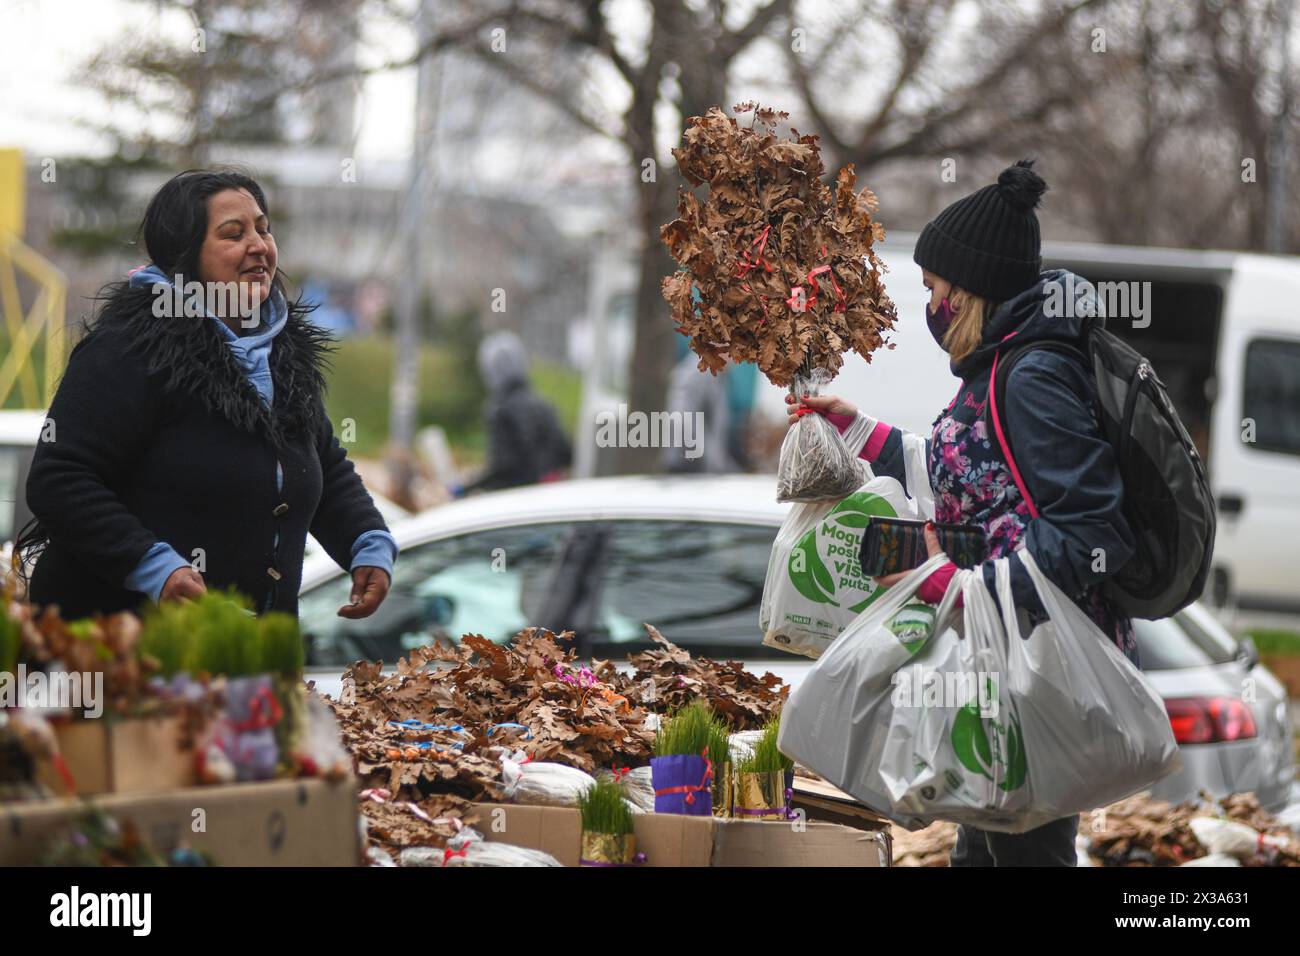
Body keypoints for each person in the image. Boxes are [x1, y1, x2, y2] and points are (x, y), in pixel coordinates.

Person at [789, 159, 1135, 867]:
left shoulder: (1033, 376)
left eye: (933, 286)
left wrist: (962, 587)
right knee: (982, 854)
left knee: (1023, 857)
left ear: (969, 286)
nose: (930, 302)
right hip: (995, 664)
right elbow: (967, 477)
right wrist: (858, 430)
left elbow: (1093, 530)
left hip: (1037, 670)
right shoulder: (999, 367)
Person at [21, 169, 395, 621]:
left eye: (263, 228)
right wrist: (153, 567)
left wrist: (366, 543)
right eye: (233, 234)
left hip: (248, 662)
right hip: (122, 657)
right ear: (186, 256)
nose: (259, 245)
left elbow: (323, 466)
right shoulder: (129, 350)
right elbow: (59, 479)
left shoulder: (281, 355)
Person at [460, 331, 572, 493]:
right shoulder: (543, 404)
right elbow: (566, 453)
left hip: (516, 501)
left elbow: (503, 468)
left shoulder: (500, 410)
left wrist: (467, 487)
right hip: (547, 499)